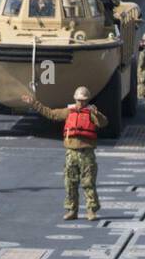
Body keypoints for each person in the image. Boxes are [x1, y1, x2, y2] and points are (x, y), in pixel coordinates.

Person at [26, 85, 106, 220]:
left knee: (88, 183)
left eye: (84, 100)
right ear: (75, 99)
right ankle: (72, 210)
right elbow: (50, 113)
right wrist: (34, 103)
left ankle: (91, 210)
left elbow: (103, 123)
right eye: (79, 100)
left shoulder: (92, 113)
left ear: (88, 101)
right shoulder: (69, 112)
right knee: (70, 183)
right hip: (71, 153)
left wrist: (97, 113)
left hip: (87, 153)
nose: (81, 103)